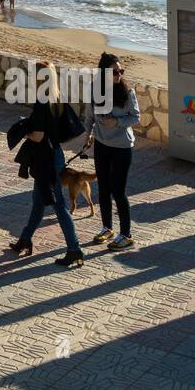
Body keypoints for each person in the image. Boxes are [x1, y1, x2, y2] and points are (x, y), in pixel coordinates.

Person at [8, 62, 85, 268]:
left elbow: (39, 135)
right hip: (54, 155)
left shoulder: (42, 102)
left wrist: (24, 130)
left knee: (58, 205)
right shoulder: (56, 98)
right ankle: (25, 239)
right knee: (38, 201)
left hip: (45, 160)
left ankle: (74, 249)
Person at [85, 52, 140, 250]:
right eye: (115, 72)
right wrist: (88, 135)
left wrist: (117, 121)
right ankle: (107, 228)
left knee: (118, 191)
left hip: (122, 147)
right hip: (101, 144)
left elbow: (136, 117)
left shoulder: (128, 92)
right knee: (104, 189)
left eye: (120, 71)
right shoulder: (94, 89)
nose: (119, 75)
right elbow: (89, 115)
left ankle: (126, 235)